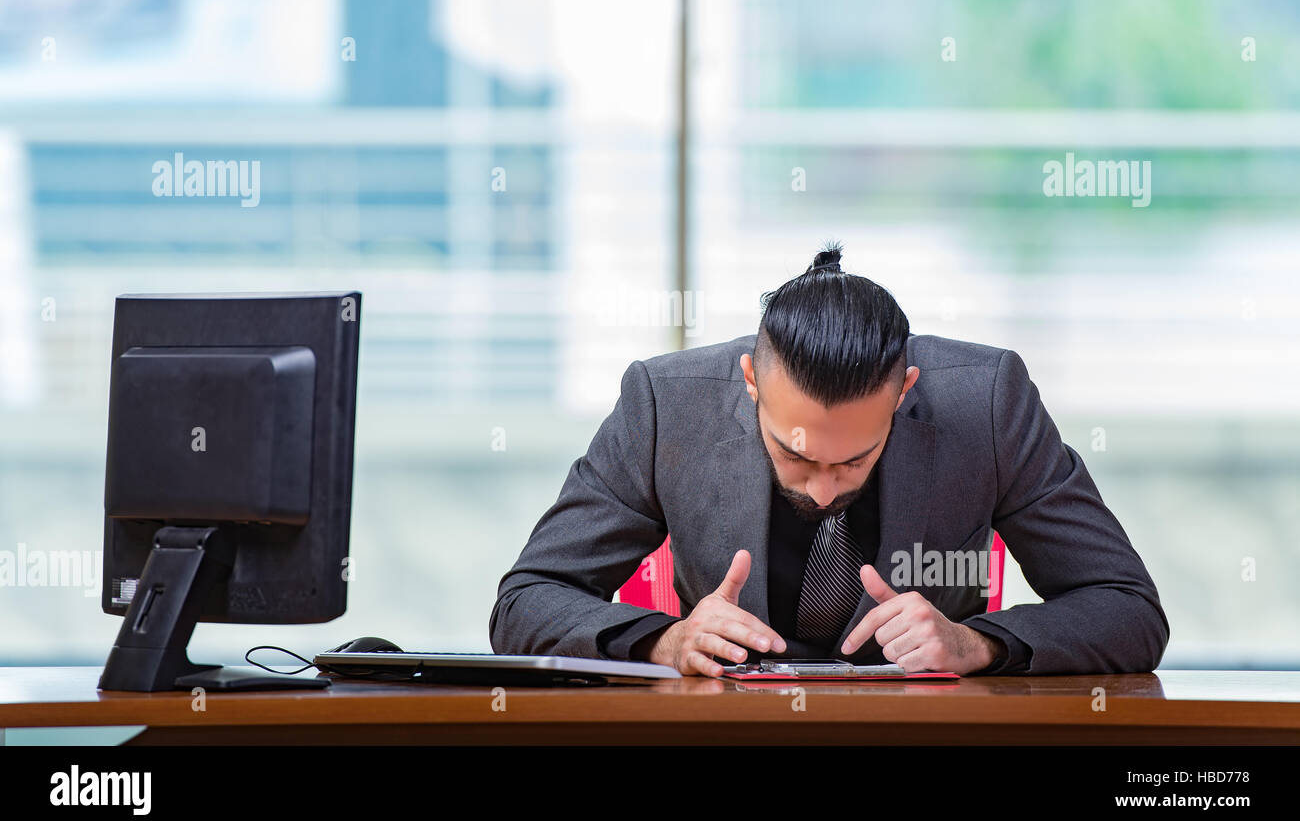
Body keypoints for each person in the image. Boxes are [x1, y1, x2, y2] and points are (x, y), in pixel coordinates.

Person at [489, 242, 1170, 676]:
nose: (820, 490)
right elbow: (526, 602)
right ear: (751, 382)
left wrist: (977, 644)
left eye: (854, 461)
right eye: (795, 454)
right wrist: (665, 642)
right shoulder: (667, 403)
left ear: (905, 391)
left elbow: (1128, 610)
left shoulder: (990, 402)